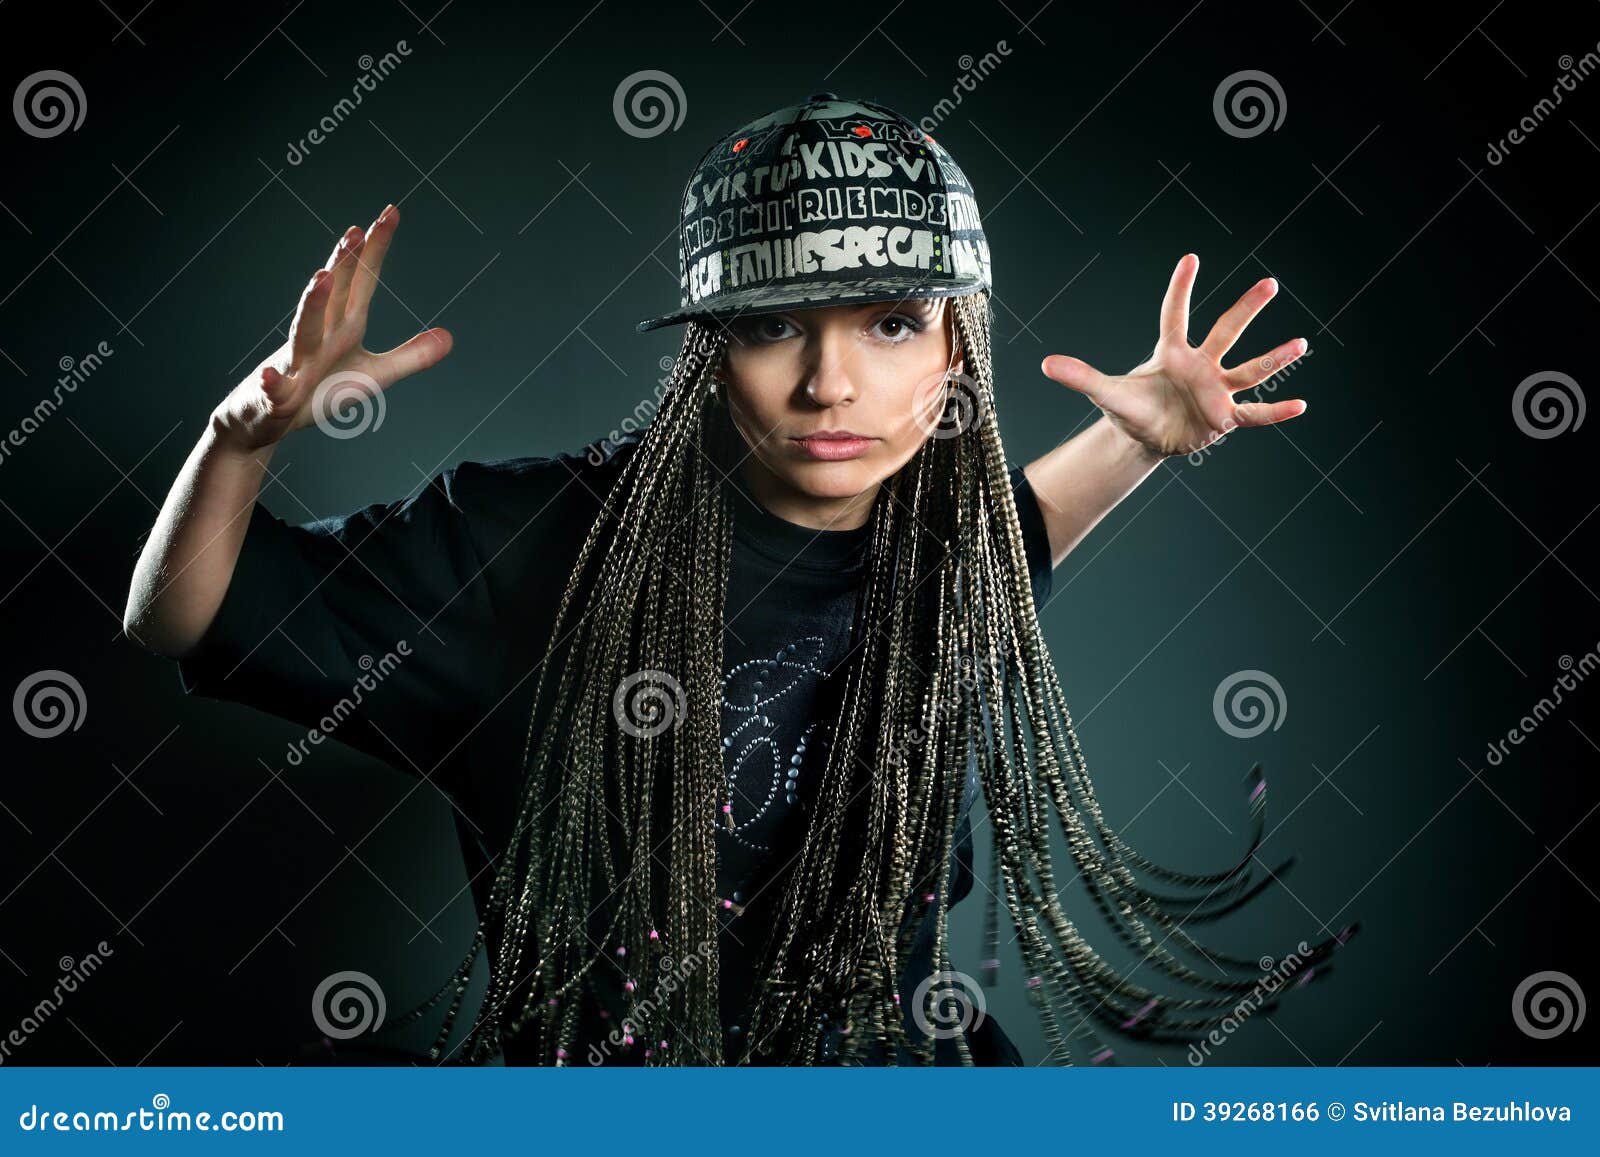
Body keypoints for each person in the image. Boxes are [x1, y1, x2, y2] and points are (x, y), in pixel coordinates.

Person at [123, 93, 1355, 1067]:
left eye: (889, 323)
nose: (830, 385)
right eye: (774, 326)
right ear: (709, 349)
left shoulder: (946, 554)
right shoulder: (526, 536)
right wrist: (241, 439)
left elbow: (1011, 531)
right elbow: (183, 613)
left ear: (954, 343)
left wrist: (1143, 433)